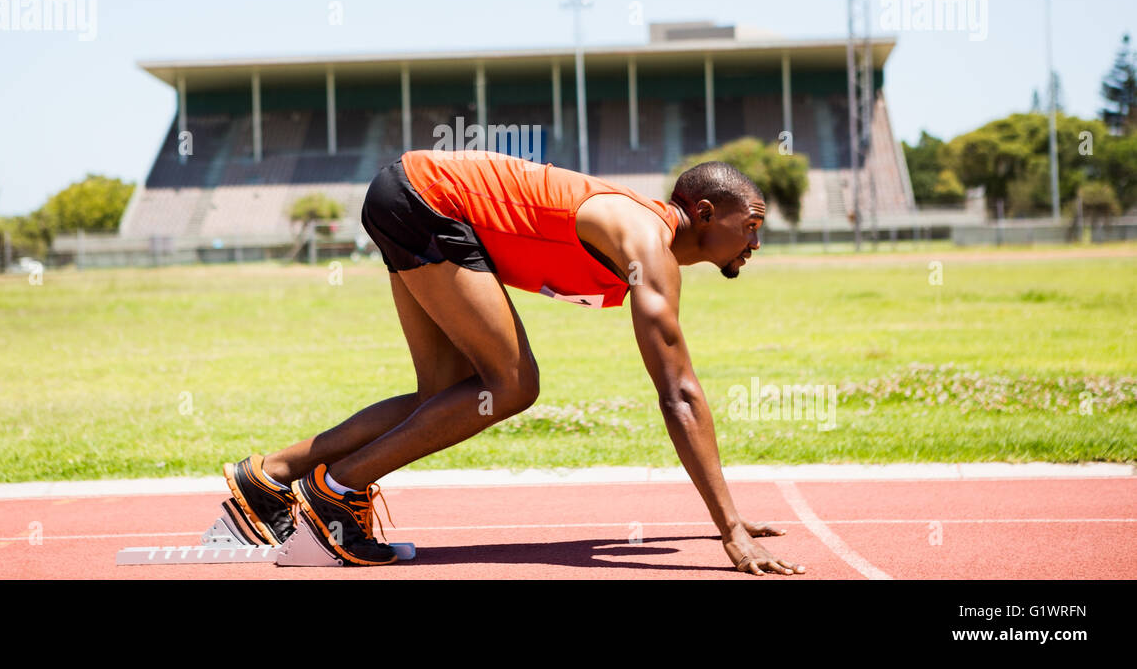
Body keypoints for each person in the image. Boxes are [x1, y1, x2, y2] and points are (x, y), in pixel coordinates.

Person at [224, 147, 805, 575]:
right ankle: (337, 491)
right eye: (751, 227)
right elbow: (678, 392)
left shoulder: (643, 236)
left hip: (411, 195)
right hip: (426, 199)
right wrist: (730, 529)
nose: (756, 243)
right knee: (512, 385)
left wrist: (728, 519)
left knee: (445, 393)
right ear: (705, 213)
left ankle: (270, 476)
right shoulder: (647, 244)